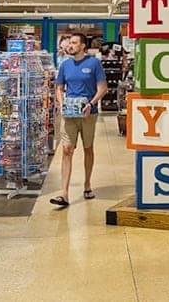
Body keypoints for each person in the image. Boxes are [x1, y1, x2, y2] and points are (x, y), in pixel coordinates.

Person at [49, 32, 107, 208]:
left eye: (74, 43)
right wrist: (61, 104)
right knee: (67, 150)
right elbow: (59, 88)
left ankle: (87, 185)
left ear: (83, 46)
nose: (70, 46)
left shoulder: (94, 63)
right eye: (69, 43)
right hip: (69, 115)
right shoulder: (65, 65)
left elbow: (103, 88)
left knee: (88, 148)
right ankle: (64, 194)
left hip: (89, 114)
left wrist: (91, 103)